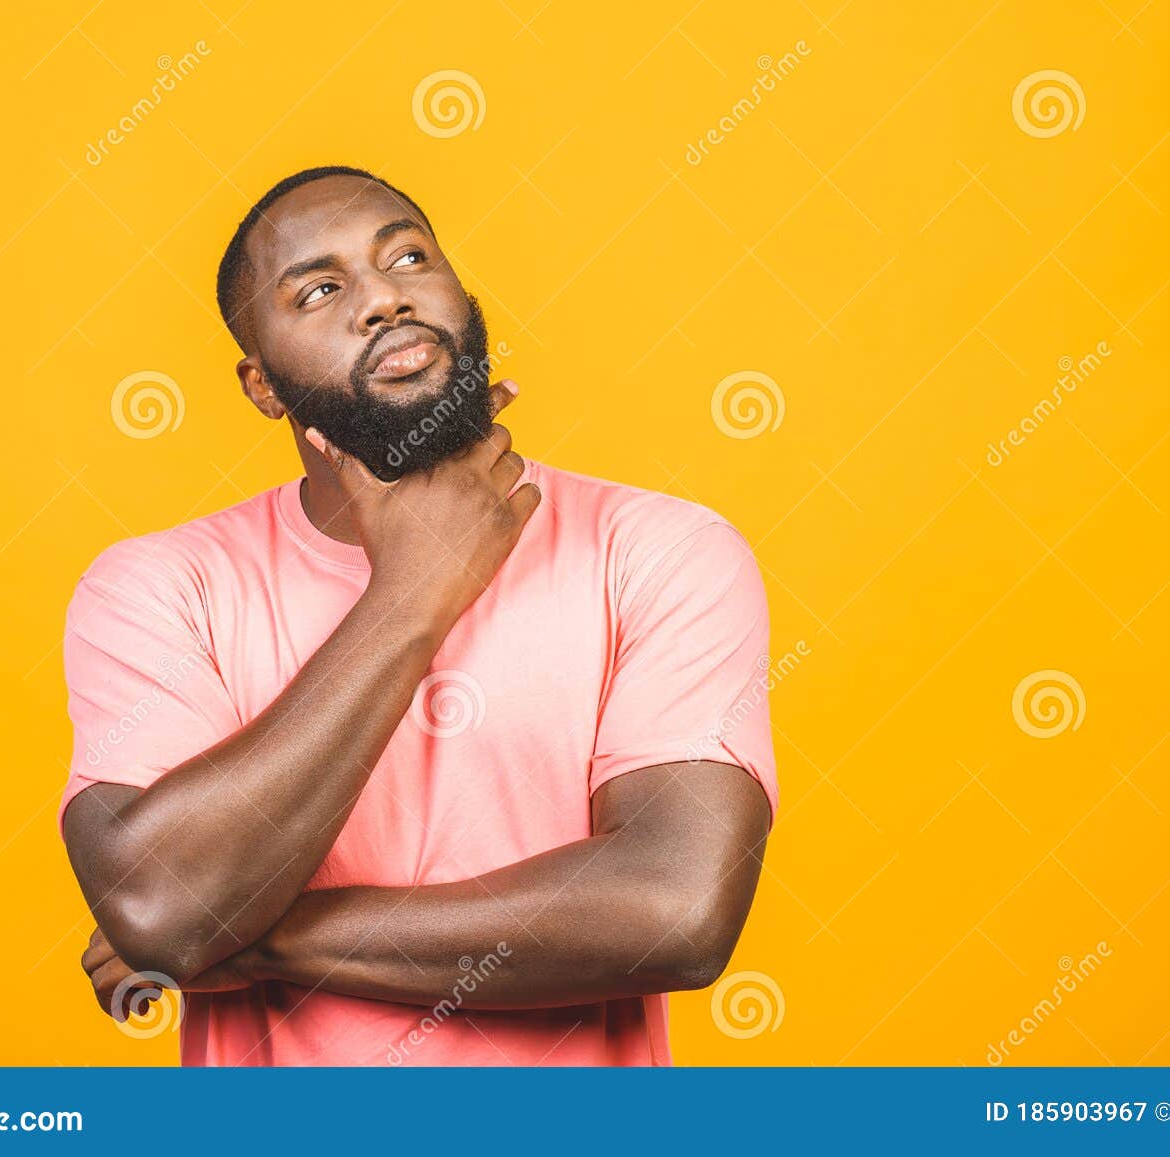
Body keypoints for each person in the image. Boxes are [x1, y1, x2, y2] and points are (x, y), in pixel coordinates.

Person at [60, 165, 778, 1065]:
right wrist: (412, 595)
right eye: (319, 288)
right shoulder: (162, 587)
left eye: (406, 256)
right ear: (263, 386)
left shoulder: (661, 550)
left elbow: (675, 911)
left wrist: (250, 939)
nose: (383, 300)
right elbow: (163, 906)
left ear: (462, 300)